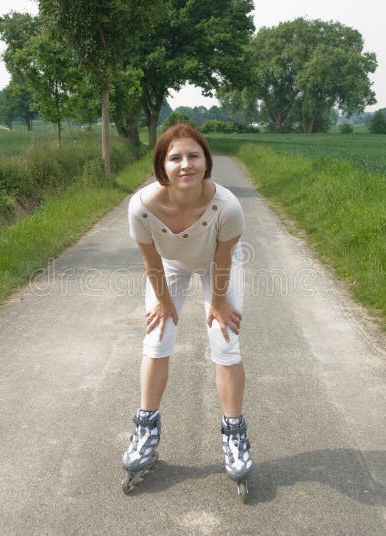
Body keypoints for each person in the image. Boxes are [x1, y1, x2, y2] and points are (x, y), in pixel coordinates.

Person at [121, 123, 253, 489]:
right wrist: (163, 302)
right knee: (157, 337)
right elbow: (150, 261)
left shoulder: (227, 206)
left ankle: (234, 433)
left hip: (217, 265)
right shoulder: (142, 208)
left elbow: (223, 260)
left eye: (193, 156)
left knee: (225, 342)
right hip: (170, 266)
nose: (185, 165)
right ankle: (146, 428)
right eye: (175, 157)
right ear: (161, 166)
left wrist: (220, 302)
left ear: (206, 162)